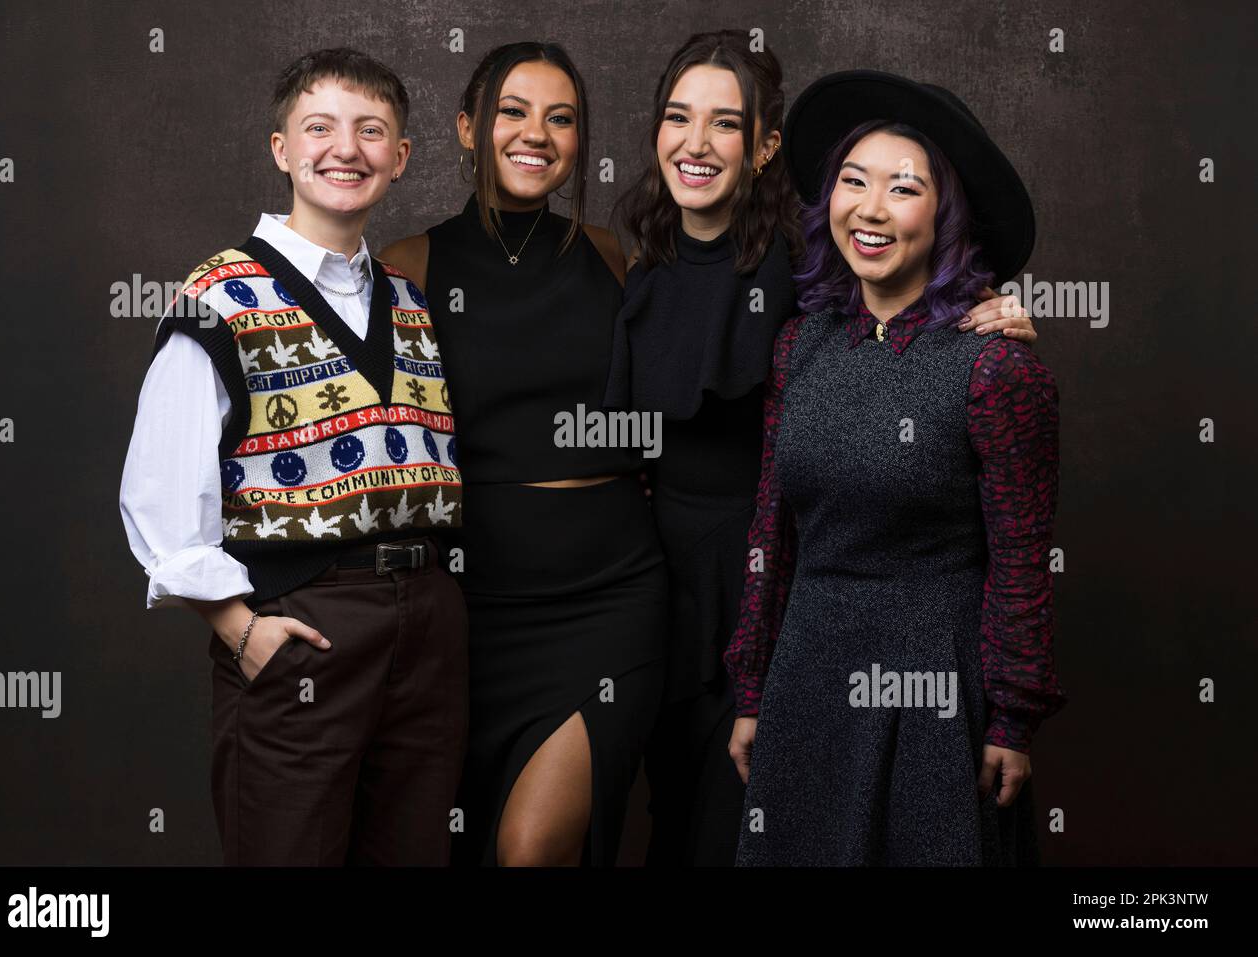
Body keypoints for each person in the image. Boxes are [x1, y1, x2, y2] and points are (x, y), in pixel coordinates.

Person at [606, 36, 1040, 866]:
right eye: (677, 117)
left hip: (860, 625)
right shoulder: (659, 273)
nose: (697, 143)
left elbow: (1019, 551)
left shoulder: (841, 281)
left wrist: (1000, 310)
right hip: (706, 600)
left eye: (725, 124)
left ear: (764, 146)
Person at [119, 47, 467, 866]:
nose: (346, 149)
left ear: (400, 157)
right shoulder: (221, 295)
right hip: (304, 619)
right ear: (282, 148)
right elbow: (160, 495)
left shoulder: (409, 302)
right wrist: (239, 631)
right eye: (321, 127)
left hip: (427, 628)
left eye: (371, 130)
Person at [724, 69, 1066, 865]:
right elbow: (769, 531)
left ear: (945, 216)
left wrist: (1013, 719)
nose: (870, 209)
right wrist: (752, 687)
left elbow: (1023, 564)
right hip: (807, 671)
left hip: (933, 688)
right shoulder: (800, 345)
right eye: (853, 181)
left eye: (903, 188)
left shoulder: (996, 369)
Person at [378, 42, 666, 867]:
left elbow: (729, 354)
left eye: (561, 117)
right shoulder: (410, 266)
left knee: (532, 846)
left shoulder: (615, 257)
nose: (535, 133)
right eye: (512, 110)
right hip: (471, 609)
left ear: (580, 140)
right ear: (469, 128)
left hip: (610, 596)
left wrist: (955, 299)